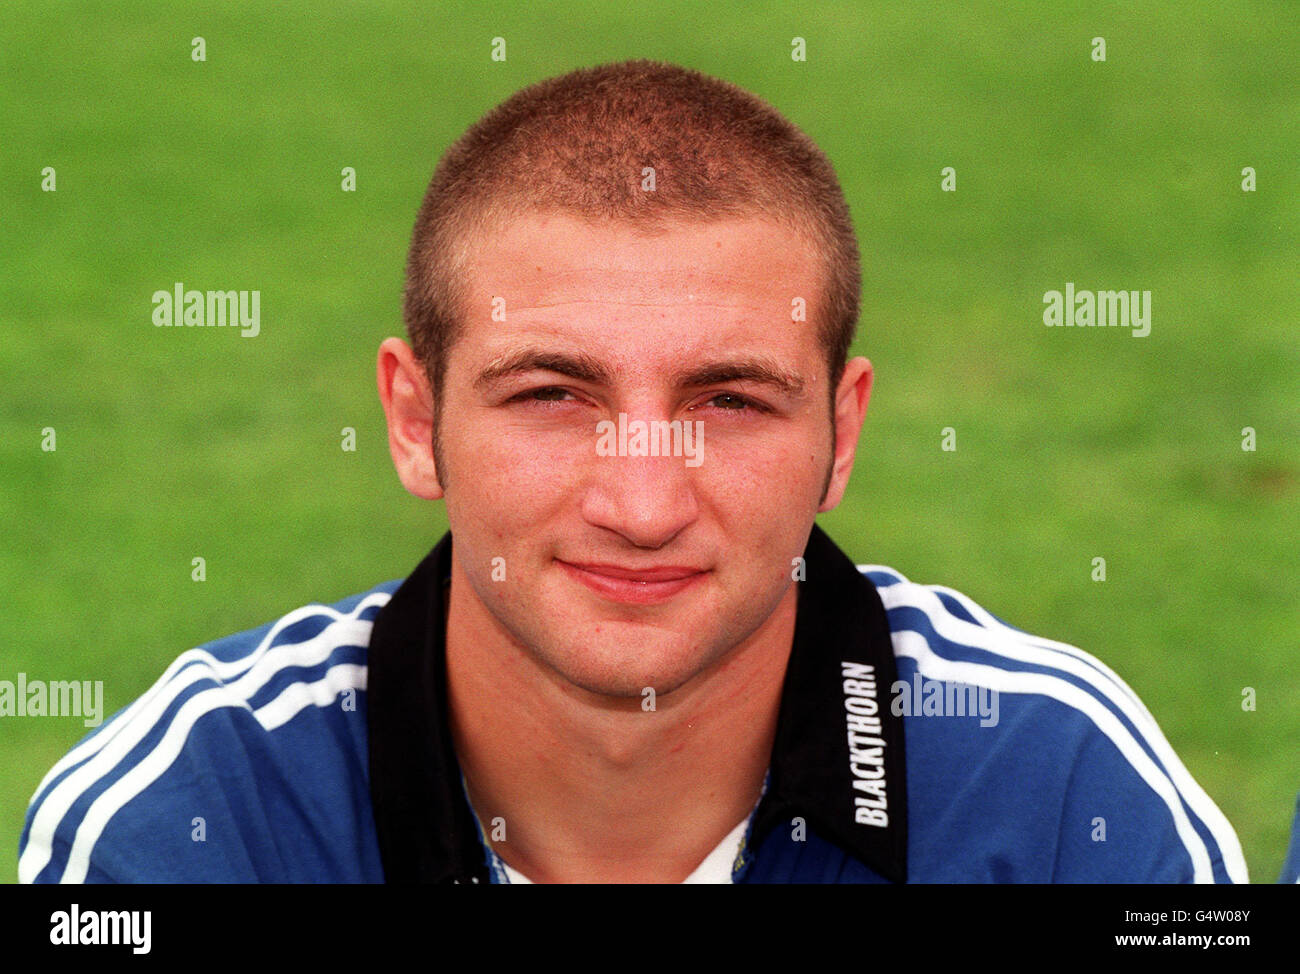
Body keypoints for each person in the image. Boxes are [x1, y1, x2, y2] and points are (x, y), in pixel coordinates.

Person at [20, 60, 1246, 884]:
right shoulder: (182, 824)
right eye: (553, 394)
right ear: (411, 417)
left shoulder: (1064, 792)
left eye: (729, 400)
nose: (643, 504)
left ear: (842, 432)